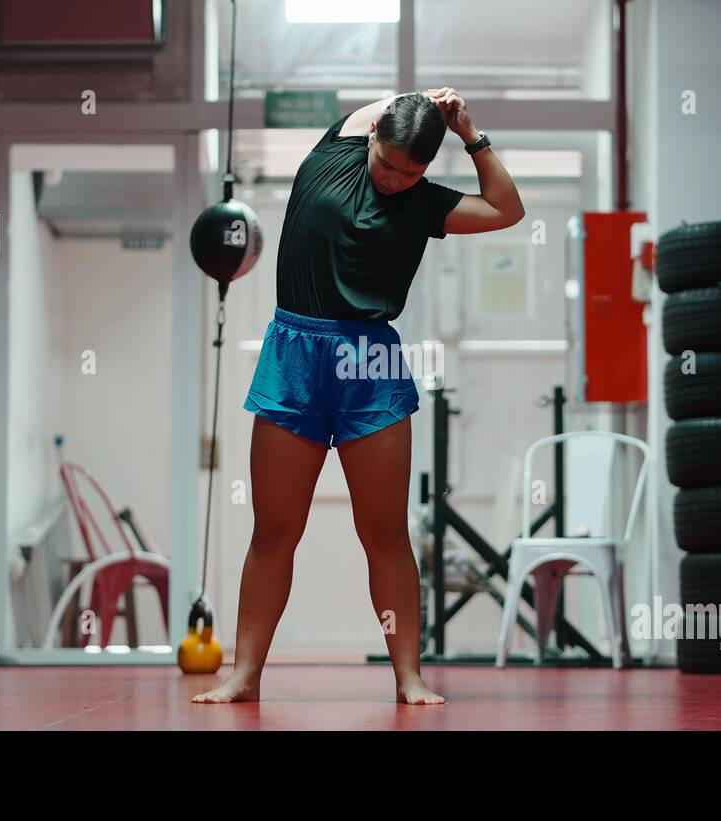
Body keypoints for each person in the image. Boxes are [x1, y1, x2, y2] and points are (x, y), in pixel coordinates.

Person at [194, 88, 525, 704]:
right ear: (370, 140)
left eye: (411, 171)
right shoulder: (331, 154)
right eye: (388, 163)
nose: (396, 179)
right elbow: (384, 107)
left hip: (369, 359)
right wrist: (427, 99)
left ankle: (409, 676)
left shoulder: (425, 204)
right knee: (274, 531)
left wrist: (469, 134)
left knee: (384, 531)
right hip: (295, 351)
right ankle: (243, 674)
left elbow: (507, 210)